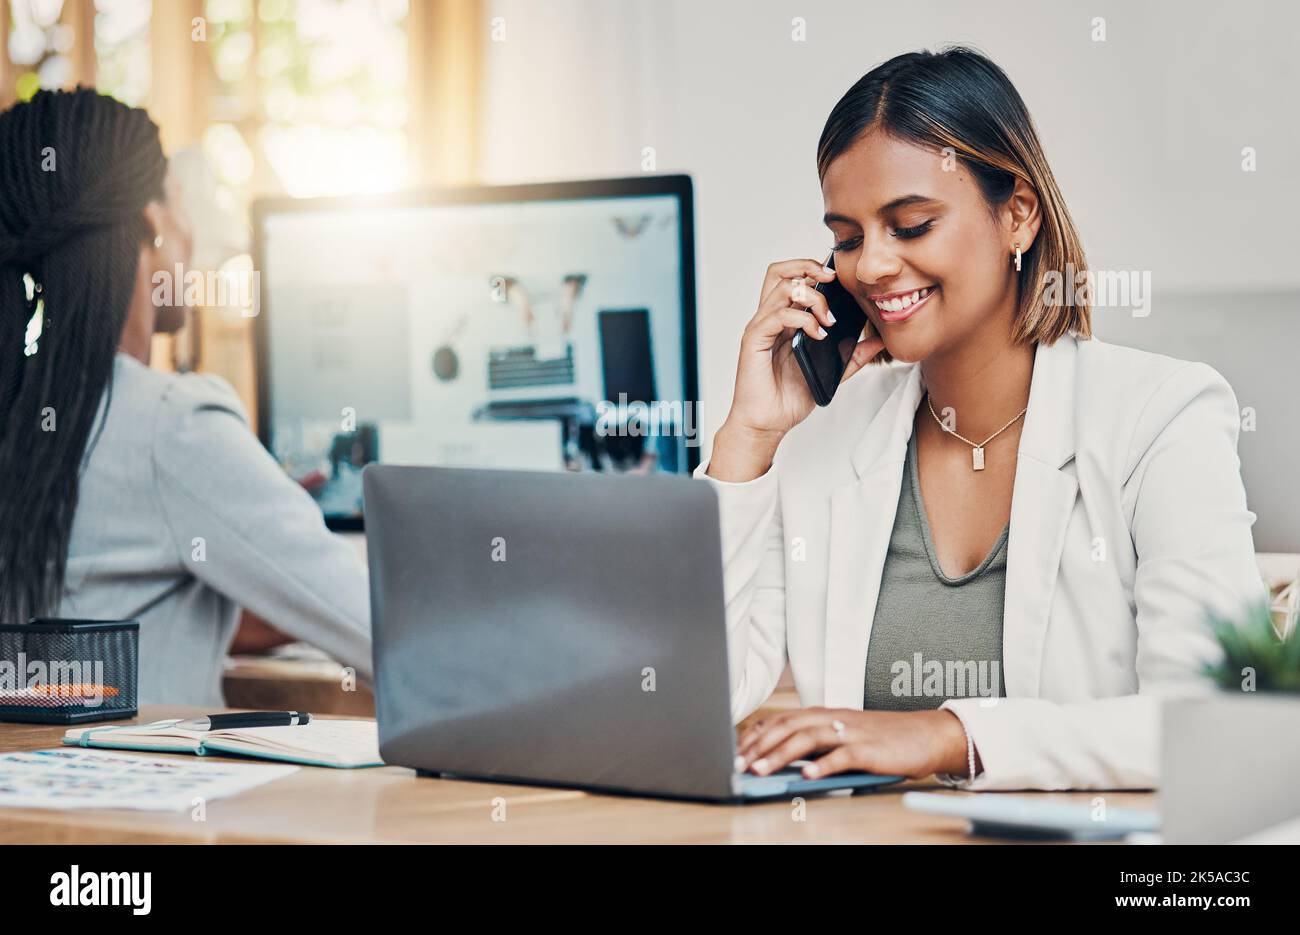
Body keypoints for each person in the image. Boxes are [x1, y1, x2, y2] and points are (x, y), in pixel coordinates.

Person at [701, 48, 1266, 790]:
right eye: (846, 237)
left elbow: (1210, 723)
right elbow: (685, 697)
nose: (869, 267)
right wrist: (748, 437)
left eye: (910, 224)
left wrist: (947, 735)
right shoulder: (824, 438)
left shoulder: (1161, 418)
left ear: (1018, 216)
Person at [0, 88, 370, 705]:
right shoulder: (171, 426)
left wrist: (255, 586)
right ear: (152, 224)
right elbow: (385, 634)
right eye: (180, 205)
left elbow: (84, 613)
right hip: (154, 797)